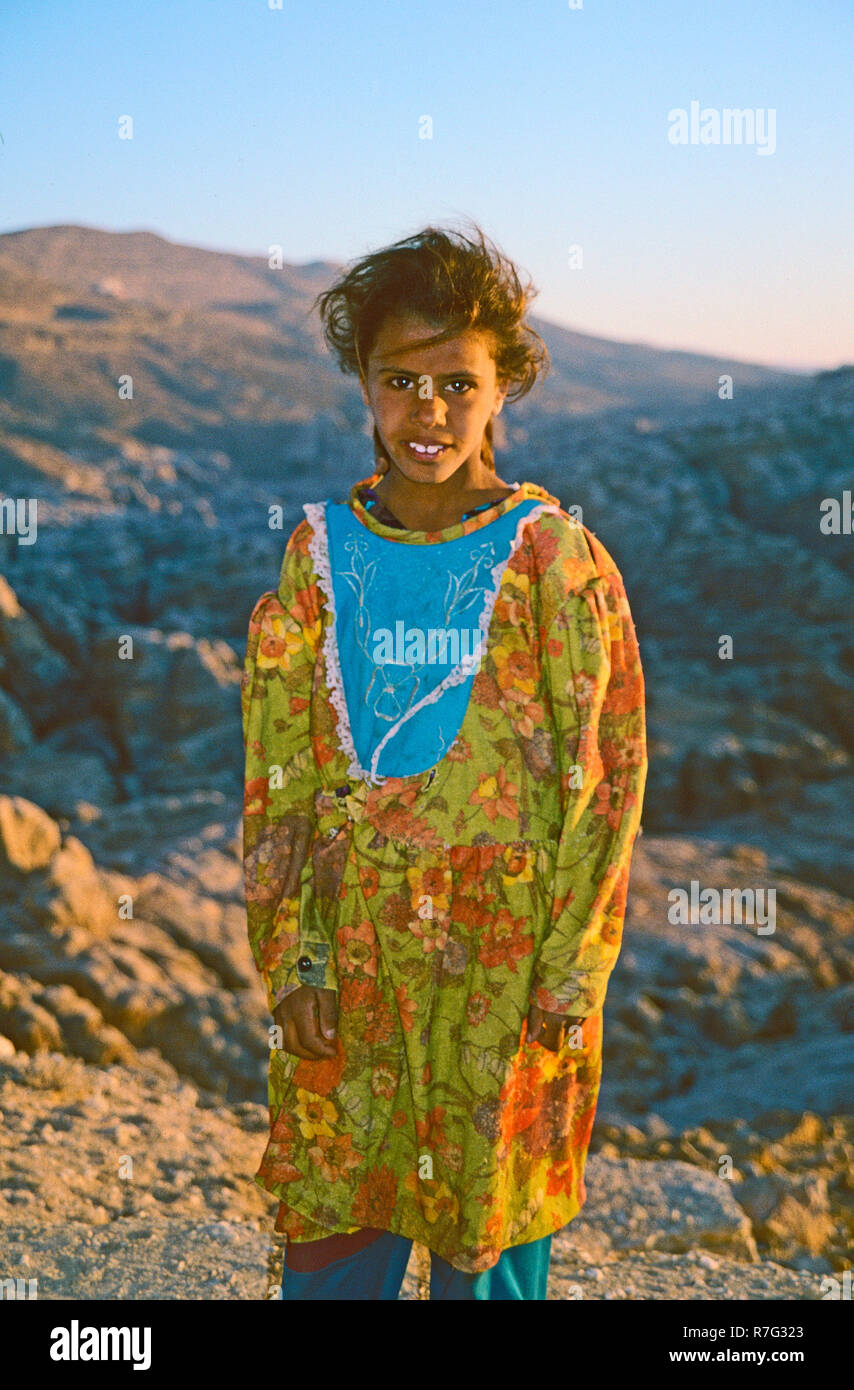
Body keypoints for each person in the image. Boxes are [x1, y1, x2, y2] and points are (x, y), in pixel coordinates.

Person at [241, 223, 648, 1300]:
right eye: (400, 381)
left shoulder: (550, 556)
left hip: (506, 977)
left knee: (486, 1255)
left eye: (455, 383)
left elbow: (605, 775)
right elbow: (279, 771)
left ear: (500, 385)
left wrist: (570, 973)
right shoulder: (317, 554)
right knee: (335, 1236)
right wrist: (294, 959)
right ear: (364, 385)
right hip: (354, 958)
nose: (428, 412)